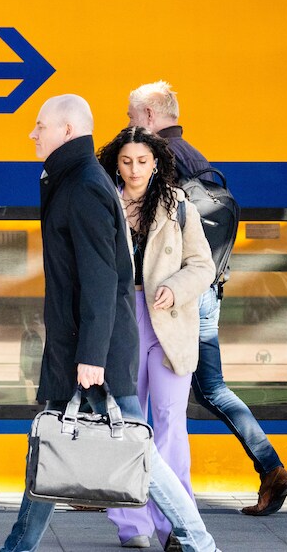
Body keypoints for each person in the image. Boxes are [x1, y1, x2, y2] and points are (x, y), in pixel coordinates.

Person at [0, 94, 220, 552]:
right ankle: (16, 549)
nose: (31, 133)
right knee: (50, 451)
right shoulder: (72, 181)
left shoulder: (82, 186)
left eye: (39, 125)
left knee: (137, 453)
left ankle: (200, 543)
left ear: (65, 130)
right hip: (79, 345)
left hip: (90, 350)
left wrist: (92, 357)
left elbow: (103, 280)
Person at [128, 81, 287, 516]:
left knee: (158, 404)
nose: (128, 127)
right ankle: (271, 470)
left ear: (148, 115)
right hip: (205, 290)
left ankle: (135, 500)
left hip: (170, 298)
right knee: (209, 388)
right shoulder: (198, 160)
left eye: (131, 117)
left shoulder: (159, 160)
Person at [98, 128, 216, 549]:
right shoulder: (102, 201)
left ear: (156, 162)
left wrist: (176, 288)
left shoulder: (178, 204)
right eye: (126, 161)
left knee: (170, 425)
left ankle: (174, 525)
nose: (134, 170)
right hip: (120, 322)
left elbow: (202, 265)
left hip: (168, 323)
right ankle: (132, 525)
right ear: (116, 161)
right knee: (128, 425)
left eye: (142, 161)